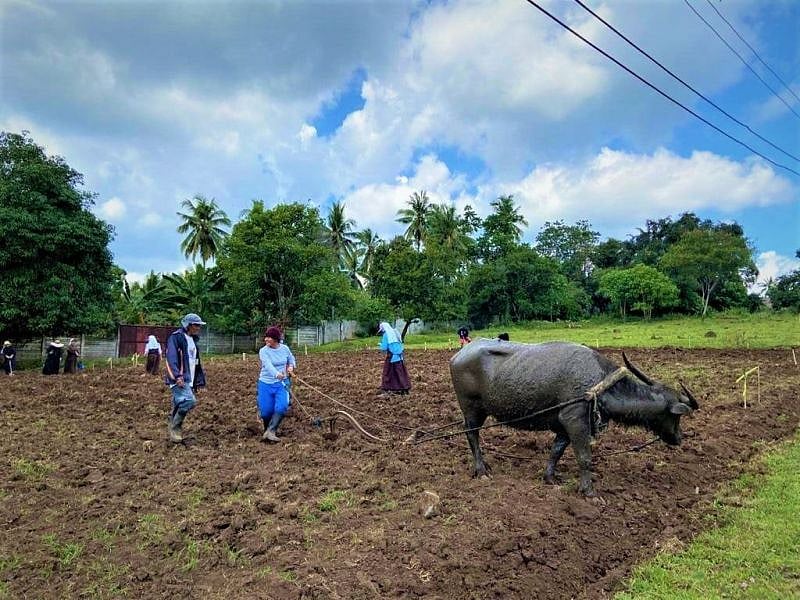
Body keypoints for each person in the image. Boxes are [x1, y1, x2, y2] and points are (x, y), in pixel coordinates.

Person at [164, 313, 207, 443]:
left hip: (190, 378)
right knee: (189, 401)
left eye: (199, 325)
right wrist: (177, 376)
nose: (198, 327)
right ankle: (175, 427)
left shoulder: (193, 340)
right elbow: (171, 358)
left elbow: (196, 361)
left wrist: (199, 381)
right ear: (188, 325)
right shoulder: (176, 337)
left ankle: (172, 422)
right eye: (196, 325)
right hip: (180, 378)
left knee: (179, 402)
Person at [257, 326, 296, 443]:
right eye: (266, 337)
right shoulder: (263, 351)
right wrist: (276, 374)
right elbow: (268, 365)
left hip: (282, 383)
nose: (266, 339)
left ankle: (271, 431)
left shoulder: (285, 349)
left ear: (276, 339)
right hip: (265, 383)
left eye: (269, 337)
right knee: (266, 411)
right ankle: (267, 431)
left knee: (282, 406)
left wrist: (290, 366)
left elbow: (291, 359)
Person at [377, 321, 410, 396]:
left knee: (388, 373)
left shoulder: (386, 335)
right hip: (400, 357)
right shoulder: (395, 332)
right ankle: (404, 388)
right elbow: (400, 343)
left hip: (392, 358)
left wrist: (380, 345)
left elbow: (384, 348)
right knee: (400, 373)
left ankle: (388, 388)